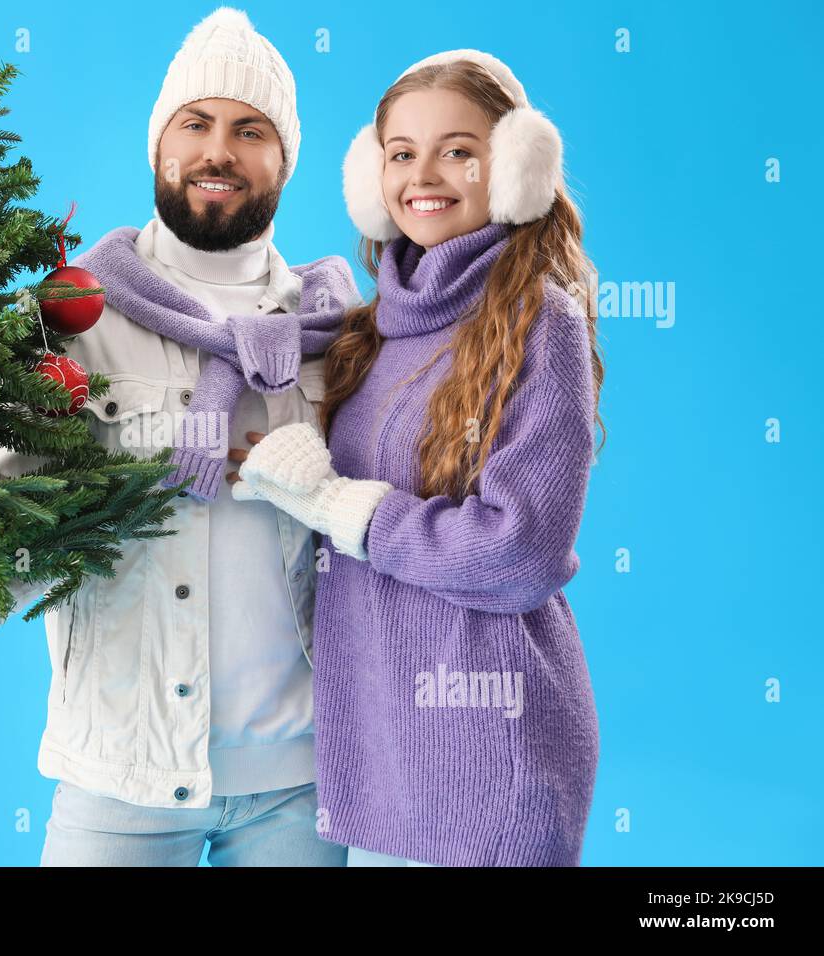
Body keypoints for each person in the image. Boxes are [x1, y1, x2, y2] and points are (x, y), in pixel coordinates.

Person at [0, 7, 359, 866]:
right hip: (120, 768)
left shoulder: (338, 336)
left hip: (307, 778)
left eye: (250, 130)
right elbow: (22, 519)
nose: (220, 150)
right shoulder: (73, 322)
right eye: (196, 123)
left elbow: (388, 522)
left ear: (284, 160)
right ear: (159, 147)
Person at [229, 50, 605, 866]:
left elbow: (522, 551)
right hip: (379, 765)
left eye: (458, 150)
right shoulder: (374, 331)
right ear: (373, 174)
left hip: (487, 761)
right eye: (401, 152)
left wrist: (346, 509)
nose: (423, 176)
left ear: (512, 168)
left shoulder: (540, 321)